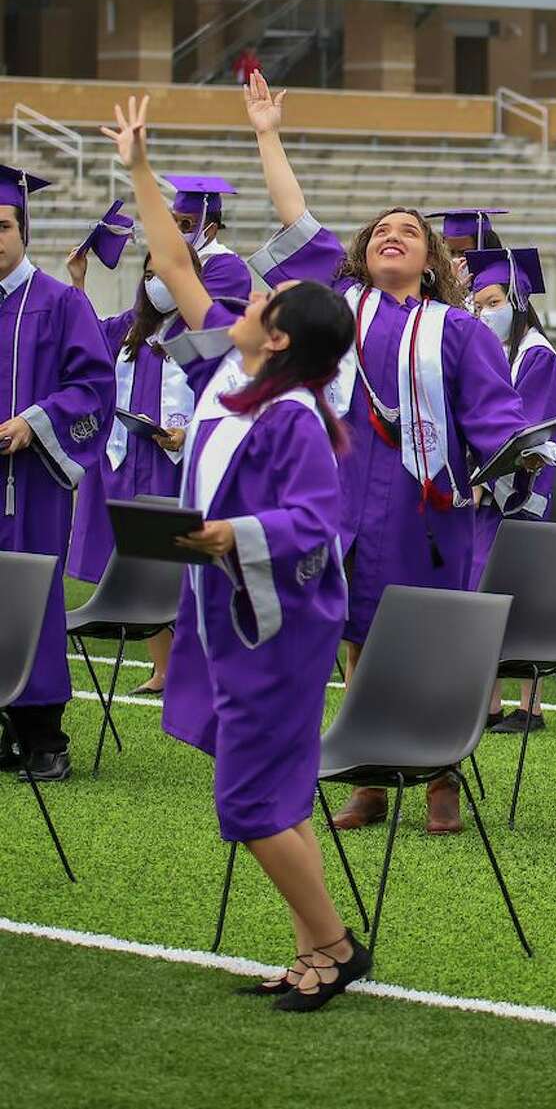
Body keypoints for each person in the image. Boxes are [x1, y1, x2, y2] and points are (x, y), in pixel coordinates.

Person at [103, 94, 370, 1013]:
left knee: (249, 801)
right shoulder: (228, 368)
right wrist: (141, 167)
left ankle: (334, 947)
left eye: (263, 299)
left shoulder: (295, 416)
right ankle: (310, 948)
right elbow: (172, 258)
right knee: (273, 790)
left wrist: (229, 536)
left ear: (283, 335)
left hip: (276, 623)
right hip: (227, 612)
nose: (246, 297)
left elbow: (315, 524)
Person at [240, 71, 556, 833]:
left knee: (428, 635)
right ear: (362, 251)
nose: (392, 235)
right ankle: (370, 773)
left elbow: (495, 412)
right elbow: (297, 216)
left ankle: (441, 772)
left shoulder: (455, 330)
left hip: (425, 503)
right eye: (381, 229)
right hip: (342, 493)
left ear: (431, 261)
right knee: (354, 630)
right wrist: (266, 134)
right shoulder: (335, 304)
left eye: (408, 232)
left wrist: (513, 456)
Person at [0, 166, 115, 783]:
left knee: (30, 599)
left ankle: (44, 738)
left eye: (1, 225)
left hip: (31, 481)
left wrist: (32, 423)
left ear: (23, 229)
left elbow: (94, 387)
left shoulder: (58, 302)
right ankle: (4, 733)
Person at [64, 243, 197, 694]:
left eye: (168, 271)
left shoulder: (206, 332)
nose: (157, 280)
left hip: (175, 466)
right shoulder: (129, 328)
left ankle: (196, 670)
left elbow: (229, 393)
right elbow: (84, 339)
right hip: (125, 461)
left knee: (177, 566)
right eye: (150, 271)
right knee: (140, 564)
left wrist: (189, 433)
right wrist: (79, 283)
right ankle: (162, 671)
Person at [467, 246, 556, 733]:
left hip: (521, 494)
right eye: (478, 304)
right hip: (489, 493)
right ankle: (487, 704)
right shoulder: (495, 352)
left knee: (516, 592)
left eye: (492, 301)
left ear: (517, 298)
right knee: (481, 587)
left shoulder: (537, 356)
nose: (484, 312)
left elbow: (528, 430)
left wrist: (483, 473)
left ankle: (531, 707)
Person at [161, 175, 253, 304]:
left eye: (186, 223)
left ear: (211, 230)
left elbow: (202, 314)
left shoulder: (229, 267)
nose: (176, 230)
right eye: (173, 220)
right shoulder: (166, 258)